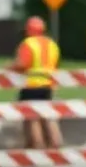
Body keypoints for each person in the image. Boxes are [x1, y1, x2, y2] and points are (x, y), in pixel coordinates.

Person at [7, 17, 63, 149]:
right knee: (48, 116)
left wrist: (9, 67)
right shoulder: (52, 44)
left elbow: (22, 64)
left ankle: (36, 145)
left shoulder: (29, 43)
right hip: (48, 86)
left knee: (32, 117)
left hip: (31, 86)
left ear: (28, 30)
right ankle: (55, 144)